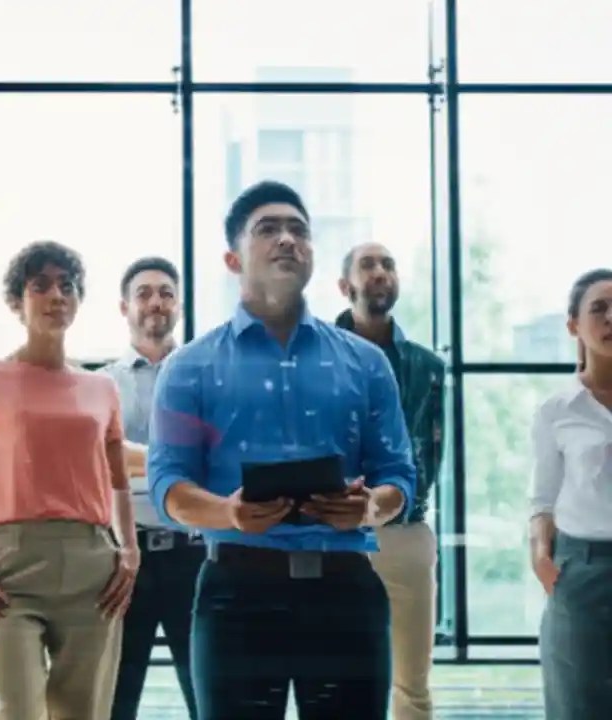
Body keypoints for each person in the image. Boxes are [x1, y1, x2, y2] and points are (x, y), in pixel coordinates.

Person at [148, 180, 417, 720]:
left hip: (347, 593)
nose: (287, 240)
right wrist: (226, 511)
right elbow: (168, 485)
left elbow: (399, 476)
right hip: (235, 594)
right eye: (268, 229)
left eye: (299, 230)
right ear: (232, 258)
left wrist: (370, 508)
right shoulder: (189, 366)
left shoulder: (366, 363)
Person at [0, 240, 138, 720]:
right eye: (41, 286)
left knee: (83, 711)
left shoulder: (101, 388)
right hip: (11, 565)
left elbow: (118, 480)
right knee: (17, 710)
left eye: (66, 286)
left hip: (93, 564)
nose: (57, 296)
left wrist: (130, 551)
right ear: (17, 301)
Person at [336, 242, 446, 720]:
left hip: (404, 532)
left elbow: (433, 451)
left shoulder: (427, 367)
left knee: (412, 684)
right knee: (334, 679)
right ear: (345, 286)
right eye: (368, 265)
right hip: (333, 536)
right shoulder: (312, 354)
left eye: (389, 264)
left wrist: (401, 505)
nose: (380, 272)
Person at [104, 256, 204, 720]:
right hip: (125, 559)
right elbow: (103, 461)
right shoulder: (100, 384)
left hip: (196, 554)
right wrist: (177, 462)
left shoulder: (204, 377)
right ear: (124, 308)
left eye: (165, 292)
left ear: (178, 306)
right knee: (115, 700)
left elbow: (216, 461)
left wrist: (135, 456)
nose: (155, 302)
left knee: (208, 697)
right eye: (143, 293)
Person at [529, 268, 612, 720]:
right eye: (598, 308)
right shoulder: (557, 411)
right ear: (573, 325)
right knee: (578, 706)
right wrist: (541, 552)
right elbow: (541, 499)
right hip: (581, 572)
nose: (611, 318)